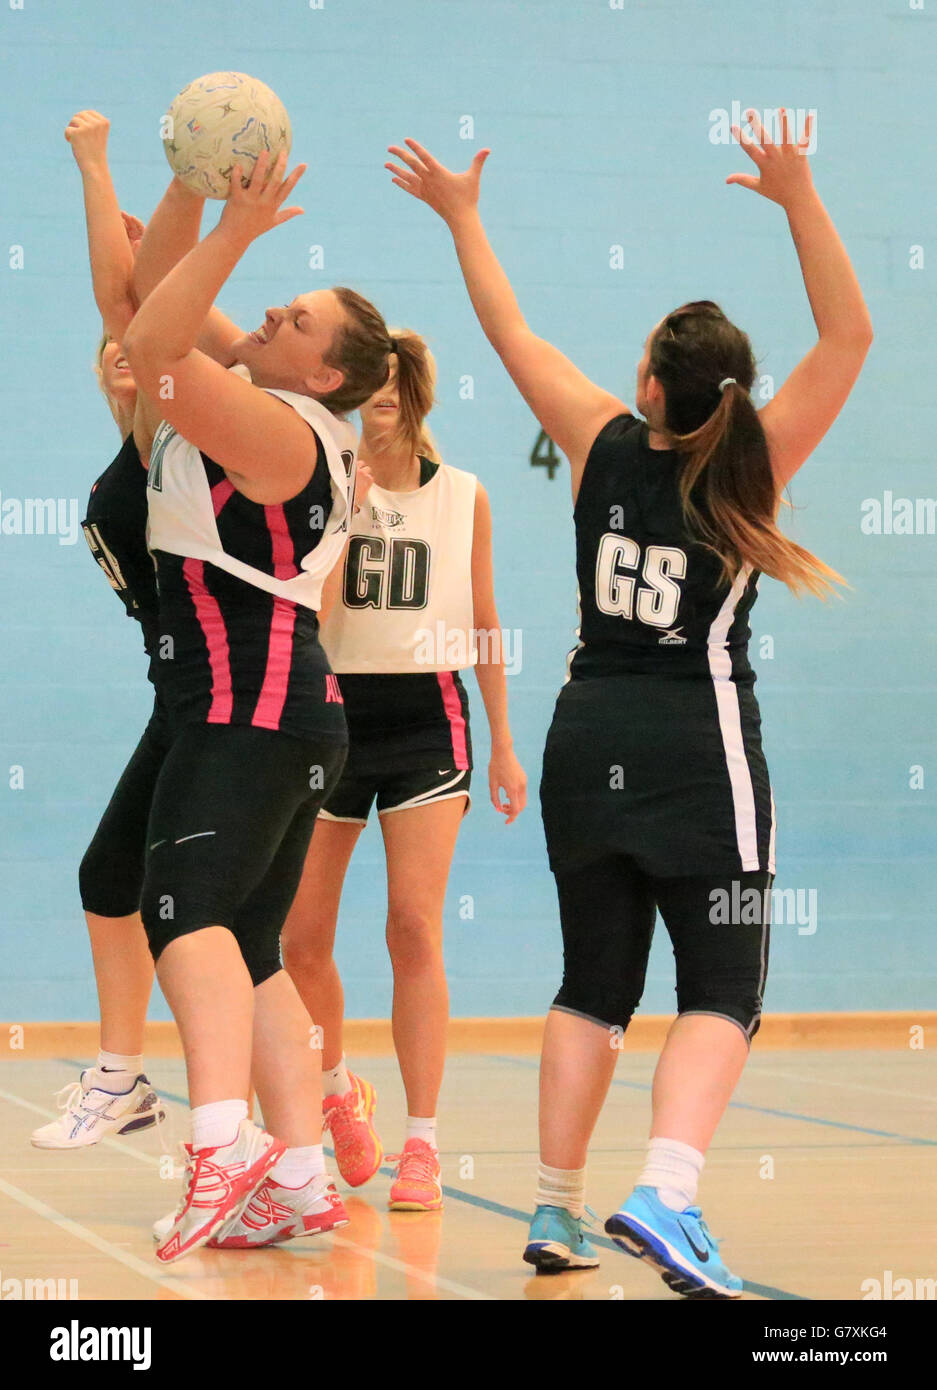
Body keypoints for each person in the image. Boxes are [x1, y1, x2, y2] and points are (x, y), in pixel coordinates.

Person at [385, 109, 872, 1296]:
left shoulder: (600, 440)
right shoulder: (754, 461)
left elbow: (506, 331)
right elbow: (850, 333)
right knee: (722, 990)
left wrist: (462, 217)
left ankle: (552, 1212)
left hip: (584, 733)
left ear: (650, 384)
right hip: (696, 745)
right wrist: (800, 193)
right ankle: (665, 1190)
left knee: (590, 985)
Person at [122, 149, 417, 1262]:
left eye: (293, 319)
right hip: (288, 707)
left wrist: (236, 232)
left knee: (179, 909)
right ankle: (297, 1175)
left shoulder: (281, 434)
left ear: (325, 375)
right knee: (251, 951)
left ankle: (220, 1143)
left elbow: (150, 348)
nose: (268, 314)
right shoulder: (276, 408)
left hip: (250, 699)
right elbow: (148, 303)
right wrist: (195, 186)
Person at [282, 337, 527, 1210]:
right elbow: (310, 597)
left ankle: (421, 1143)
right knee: (299, 937)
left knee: (412, 927)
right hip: (333, 713)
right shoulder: (327, 472)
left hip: (430, 717)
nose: (382, 398)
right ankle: (338, 1090)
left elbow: (486, 618)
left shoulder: (464, 495)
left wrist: (501, 740)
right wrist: (343, 506)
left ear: (419, 394)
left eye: (397, 385)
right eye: (369, 386)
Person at [32, 111, 169, 1150]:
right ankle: (131, 1079)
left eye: (135, 351)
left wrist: (95, 166)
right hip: (185, 689)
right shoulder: (123, 460)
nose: (117, 355)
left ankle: (131, 1077)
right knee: (132, 888)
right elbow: (118, 314)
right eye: (106, 354)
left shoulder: (174, 440)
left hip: (227, 689)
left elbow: (124, 303)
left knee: (185, 909)